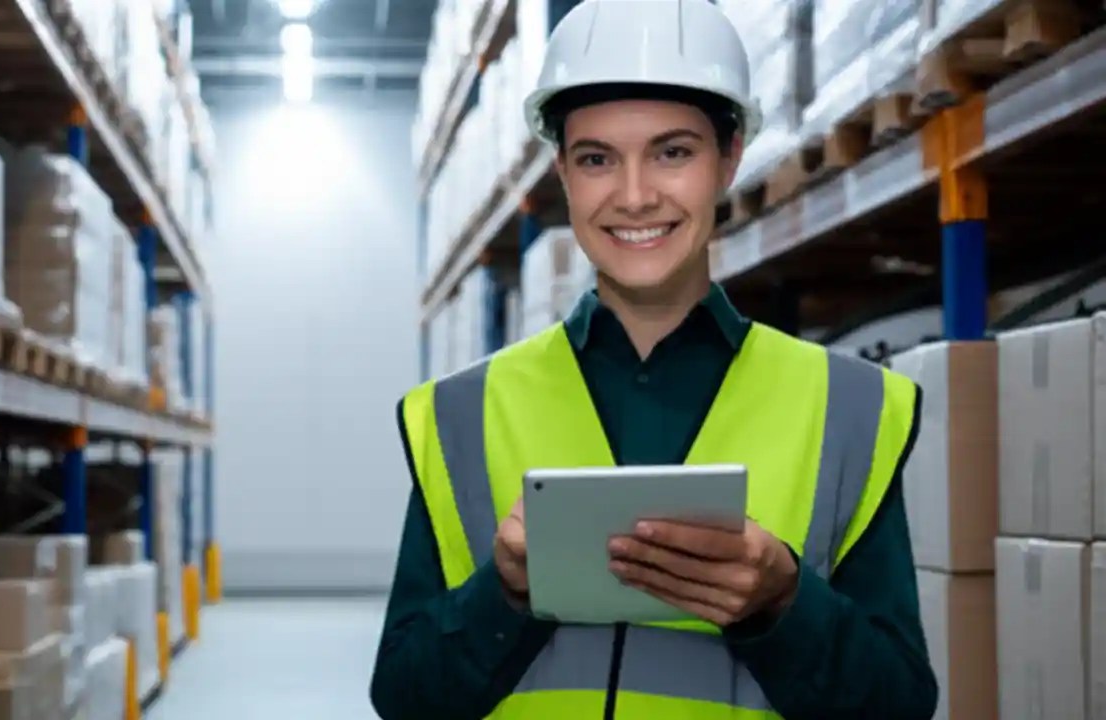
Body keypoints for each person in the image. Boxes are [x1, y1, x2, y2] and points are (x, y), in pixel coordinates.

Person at [370, 1, 939, 718]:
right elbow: (404, 697)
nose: (634, 196)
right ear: (564, 175)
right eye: (597, 158)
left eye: (673, 152)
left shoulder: (849, 410)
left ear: (730, 158)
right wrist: (504, 592)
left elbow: (898, 704)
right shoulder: (459, 414)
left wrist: (784, 602)